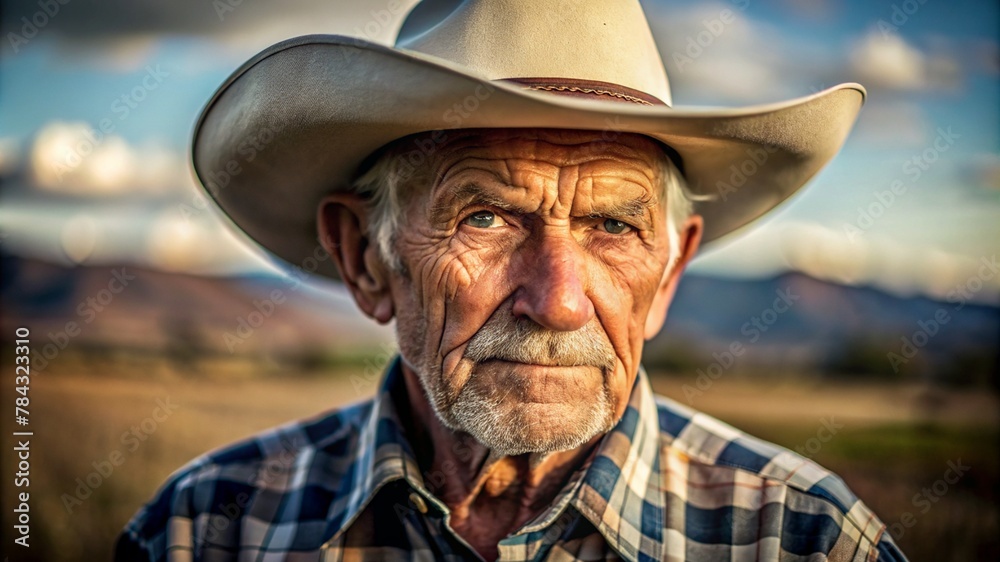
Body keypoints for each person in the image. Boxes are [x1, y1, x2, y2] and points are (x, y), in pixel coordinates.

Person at [117, 0, 908, 560]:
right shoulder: (205, 530)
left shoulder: (802, 539)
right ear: (364, 256)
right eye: (485, 218)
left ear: (668, 274)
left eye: (613, 226)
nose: (559, 302)